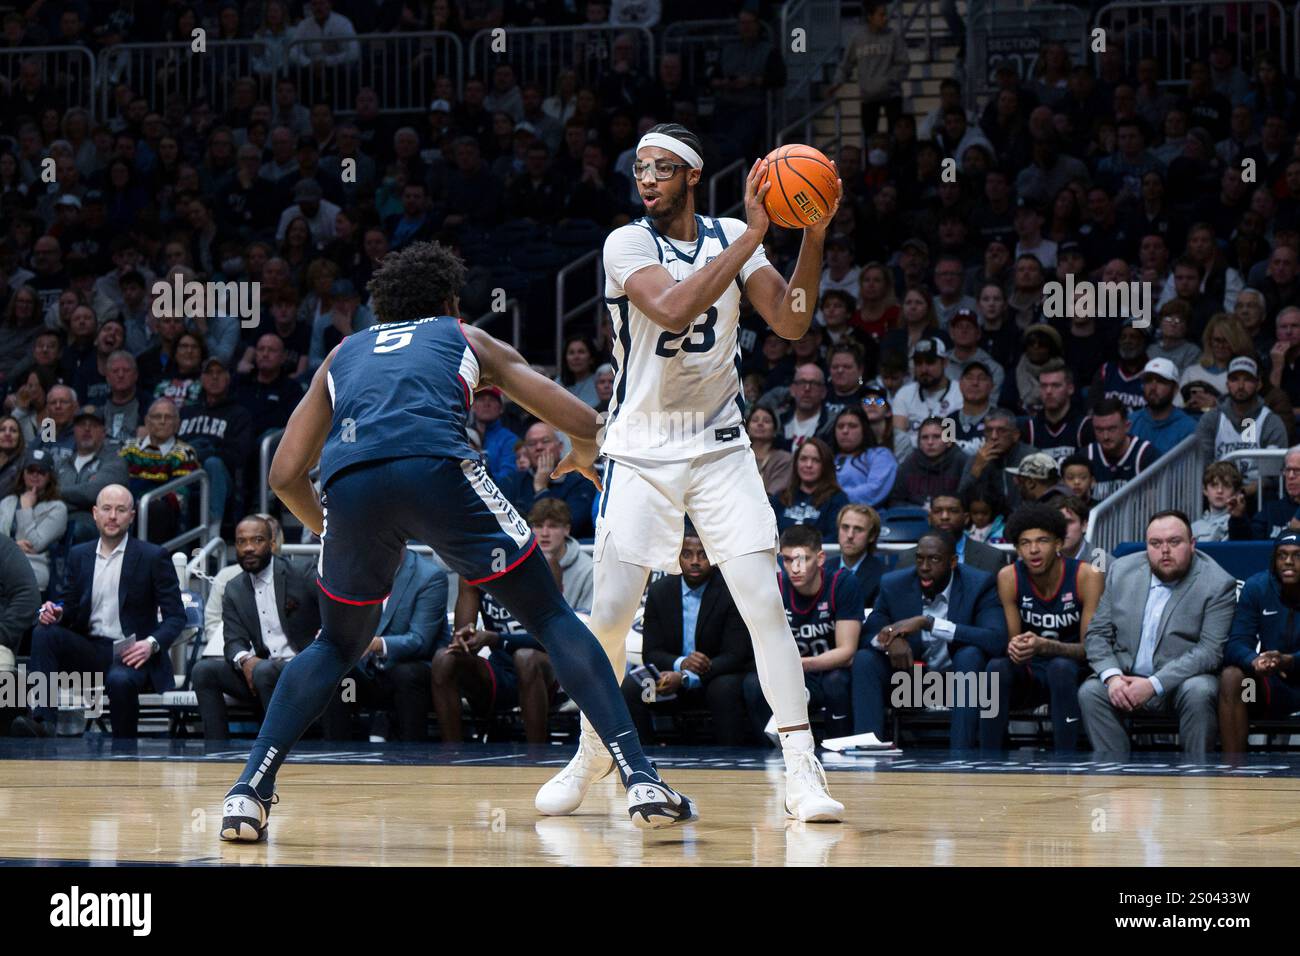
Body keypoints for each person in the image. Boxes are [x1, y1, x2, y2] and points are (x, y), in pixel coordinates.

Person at [219, 241, 696, 842]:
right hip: (439, 468)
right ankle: (642, 778)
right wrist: (582, 449)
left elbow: (284, 476)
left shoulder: (342, 352)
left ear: (382, 310)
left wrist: (332, 529)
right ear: (449, 302)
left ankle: (248, 792)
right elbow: (584, 420)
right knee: (549, 615)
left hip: (350, 485)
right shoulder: (464, 336)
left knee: (335, 646)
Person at [536, 123, 844, 824]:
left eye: (662, 169)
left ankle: (802, 767)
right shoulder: (628, 244)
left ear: (693, 177)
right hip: (640, 449)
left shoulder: (734, 232)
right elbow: (673, 306)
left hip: (720, 447)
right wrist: (750, 239)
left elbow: (791, 324)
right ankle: (592, 753)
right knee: (610, 619)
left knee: (765, 608)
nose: (646, 179)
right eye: (639, 168)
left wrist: (813, 236)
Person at [13, 485, 186, 739]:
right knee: (44, 632)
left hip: (131, 653)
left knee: (119, 679)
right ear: (95, 513)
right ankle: (43, 721)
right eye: (106, 509)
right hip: (90, 648)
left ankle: (123, 749)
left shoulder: (153, 556)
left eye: (120, 510)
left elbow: (176, 617)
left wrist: (151, 644)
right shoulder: (79, 554)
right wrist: (57, 612)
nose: (113, 516)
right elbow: (69, 605)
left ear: (132, 515)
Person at [1078, 510, 1237, 757]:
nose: (1165, 550)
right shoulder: (1121, 571)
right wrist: (1113, 678)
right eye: (1155, 543)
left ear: (1192, 544)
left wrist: (1154, 684)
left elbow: (1210, 652)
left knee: (1200, 690)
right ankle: (1113, 775)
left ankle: (1198, 774)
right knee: (1091, 692)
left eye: (1174, 542)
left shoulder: (1217, 584)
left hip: (1181, 683)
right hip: (1126, 677)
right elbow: (1097, 633)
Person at [850, 529, 1007, 747]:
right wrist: (891, 640)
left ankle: (962, 756)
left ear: (953, 562)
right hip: (910, 684)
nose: (924, 567)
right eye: (919, 559)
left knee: (970, 654)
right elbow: (868, 634)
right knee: (865, 659)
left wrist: (930, 623)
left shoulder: (978, 584)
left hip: (959, 682)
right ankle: (866, 750)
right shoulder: (894, 584)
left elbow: (997, 639)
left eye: (934, 559)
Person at [981, 504, 1103, 752]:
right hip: (1032, 671)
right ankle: (988, 758)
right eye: (1025, 543)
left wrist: (1047, 646)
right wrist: (1016, 647)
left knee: (1060, 667)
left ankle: (1065, 761)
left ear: (1058, 543)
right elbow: (1014, 642)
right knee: (996, 668)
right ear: (1017, 548)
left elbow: (1091, 649)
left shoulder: (1087, 575)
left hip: (1075, 671)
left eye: (1042, 541)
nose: (1033, 550)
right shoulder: (1008, 576)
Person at [191, 515, 323, 740]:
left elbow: (331, 613)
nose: (249, 548)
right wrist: (245, 659)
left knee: (263, 671)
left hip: (302, 667)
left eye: (257, 540)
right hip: (262, 670)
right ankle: (216, 751)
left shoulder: (301, 574)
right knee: (203, 671)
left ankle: (278, 745)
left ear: (272, 544)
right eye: (241, 542)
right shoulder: (233, 588)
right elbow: (233, 641)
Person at [620, 527, 753, 746]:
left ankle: (731, 756)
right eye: (687, 554)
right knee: (635, 688)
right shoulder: (659, 591)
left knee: (725, 689)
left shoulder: (731, 591)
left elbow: (736, 655)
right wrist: (680, 665)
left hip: (713, 677)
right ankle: (644, 757)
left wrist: (686, 677)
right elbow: (650, 653)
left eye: (702, 554)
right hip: (669, 682)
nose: (695, 561)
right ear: (677, 557)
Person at [745, 524, 862, 742]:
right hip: (788, 670)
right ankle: (767, 752)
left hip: (827, 670)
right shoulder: (774, 586)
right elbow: (764, 645)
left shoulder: (842, 583)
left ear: (820, 558)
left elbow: (846, 652)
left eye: (803, 559)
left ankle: (839, 747)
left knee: (836, 682)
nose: (795, 568)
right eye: (788, 560)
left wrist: (801, 664)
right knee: (753, 683)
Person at [322, 546, 448, 742]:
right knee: (337, 673)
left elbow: (421, 640)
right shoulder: (356, 572)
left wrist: (375, 644)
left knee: (406, 674)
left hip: (411, 671)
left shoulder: (429, 577)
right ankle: (337, 749)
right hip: (369, 673)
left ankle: (413, 754)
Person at [1219, 531, 1300, 754]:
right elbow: (1235, 643)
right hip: (1268, 688)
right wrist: (1254, 660)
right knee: (1233, 679)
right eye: (1282, 555)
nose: (1288, 562)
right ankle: (1235, 774)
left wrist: (1290, 661)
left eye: (1297, 555)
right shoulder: (1257, 587)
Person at [1195, 356, 1287, 497]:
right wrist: (1223, 491)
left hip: (1258, 498)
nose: (1241, 385)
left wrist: (1243, 493)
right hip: (1218, 494)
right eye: (1235, 379)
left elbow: (1271, 476)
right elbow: (1204, 466)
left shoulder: (1271, 421)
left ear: (1259, 384)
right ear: (1227, 384)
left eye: (1248, 379)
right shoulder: (1211, 419)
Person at [56, 406, 130, 543]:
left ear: (103, 431)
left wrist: (56, 494)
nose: (87, 429)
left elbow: (93, 493)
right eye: (81, 425)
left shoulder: (115, 460)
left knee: (78, 529)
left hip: (95, 521)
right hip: (57, 517)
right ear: (74, 431)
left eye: (94, 425)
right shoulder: (61, 463)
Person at [0, 449, 67, 594]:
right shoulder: (7, 502)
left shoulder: (57, 508)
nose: (35, 475)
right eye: (31, 470)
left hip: (32, 568)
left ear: (49, 476)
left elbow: (34, 544)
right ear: (23, 473)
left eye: (41, 471)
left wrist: (26, 509)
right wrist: (14, 545)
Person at [895, 493, 1009, 574]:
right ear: (929, 518)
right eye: (938, 511)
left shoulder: (992, 558)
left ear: (966, 518)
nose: (945, 517)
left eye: (953, 511)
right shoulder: (908, 559)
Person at [771, 437, 851, 542]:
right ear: (796, 463)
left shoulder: (837, 499)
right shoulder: (780, 497)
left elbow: (835, 537)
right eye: (803, 459)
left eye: (816, 460)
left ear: (825, 465)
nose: (808, 465)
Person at [1084, 398, 1161, 498]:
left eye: (1112, 429)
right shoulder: (1087, 456)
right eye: (1099, 430)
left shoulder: (1146, 455)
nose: (1105, 436)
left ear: (1127, 426)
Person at [892, 337, 961, 445]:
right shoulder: (904, 394)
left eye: (930, 362)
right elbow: (899, 439)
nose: (924, 369)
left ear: (945, 363)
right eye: (918, 363)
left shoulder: (960, 393)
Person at [887, 415, 967, 506]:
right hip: (916, 517)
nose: (930, 442)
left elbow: (968, 500)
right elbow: (895, 500)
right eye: (924, 438)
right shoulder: (909, 463)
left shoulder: (962, 462)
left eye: (936, 437)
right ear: (919, 443)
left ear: (949, 442)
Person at [1128, 358, 1197, 455]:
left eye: (1161, 381)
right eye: (1148, 380)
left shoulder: (1189, 428)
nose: (1153, 387)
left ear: (1175, 388)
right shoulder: (1130, 421)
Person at [830, 405, 895, 506]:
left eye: (852, 426)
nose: (845, 431)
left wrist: (833, 497)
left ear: (864, 430)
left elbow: (874, 490)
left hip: (866, 516)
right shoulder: (827, 458)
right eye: (840, 426)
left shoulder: (880, 455)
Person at [826, 503, 887, 605]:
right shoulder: (823, 569)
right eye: (845, 527)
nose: (850, 535)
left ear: (872, 536)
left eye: (858, 529)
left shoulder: (883, 576)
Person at [1191, 461, 1248, 542]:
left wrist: (1237, 519)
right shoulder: (1194, 527)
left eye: (1226, 485)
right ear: (1205, 490)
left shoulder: (1241, 525)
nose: (1219, 491)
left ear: (1237, 492)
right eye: (1214, 485)